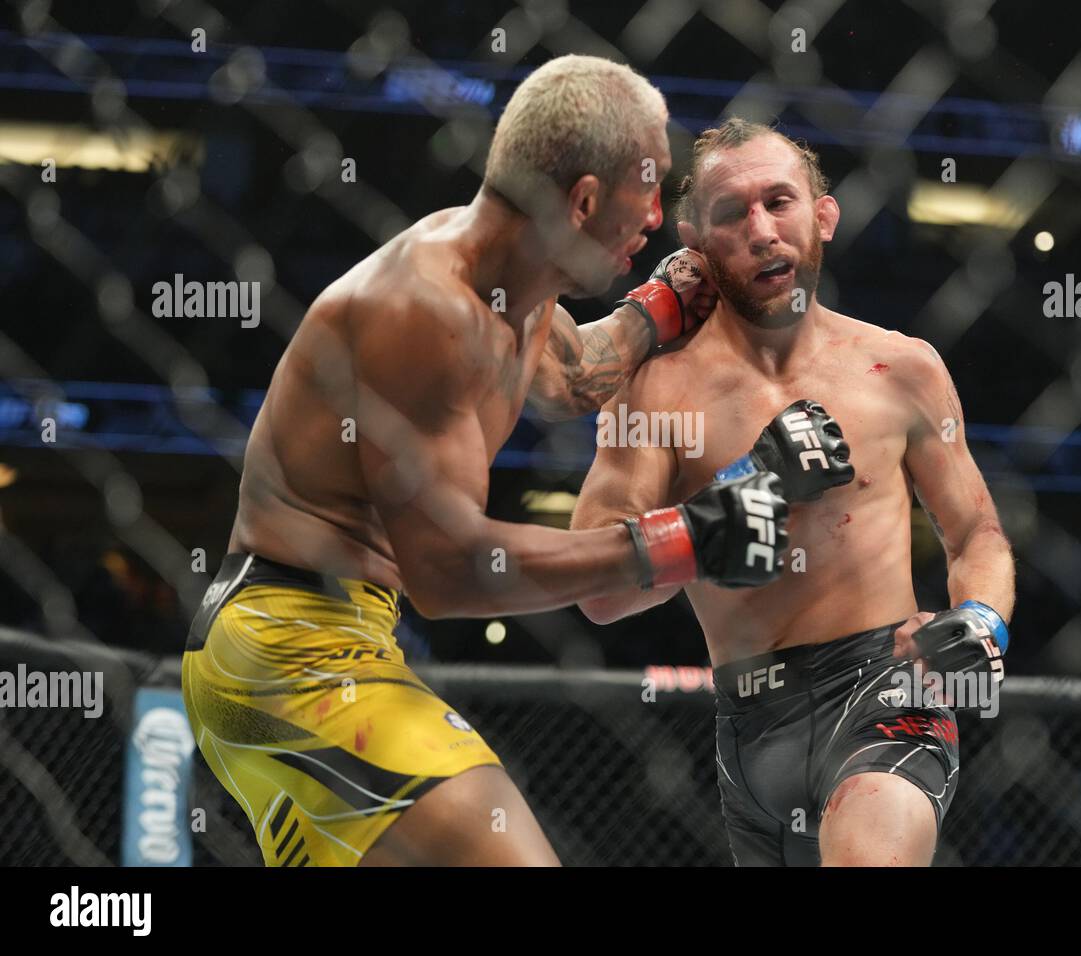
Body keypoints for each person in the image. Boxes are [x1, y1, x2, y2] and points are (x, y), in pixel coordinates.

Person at [181, 59, 791, 867]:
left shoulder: (516, 289)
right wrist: (686, 538)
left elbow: (578, 372)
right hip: (291, 651)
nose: (655, 215)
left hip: (317, 642)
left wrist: (666, 302)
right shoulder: (426, 310)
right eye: (647, 188)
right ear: (581, 199)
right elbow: (452, 570)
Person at [571, 118, 1016, 866]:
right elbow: (598, 586)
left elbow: (977, 536)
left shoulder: (901, 368)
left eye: (780, 202)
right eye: (731, 212)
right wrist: (753, 487)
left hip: (886, 691)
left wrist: (982, 621)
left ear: (824, 215)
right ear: (694, 240)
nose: (762, 229)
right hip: (746, 724)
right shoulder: (656, 387)